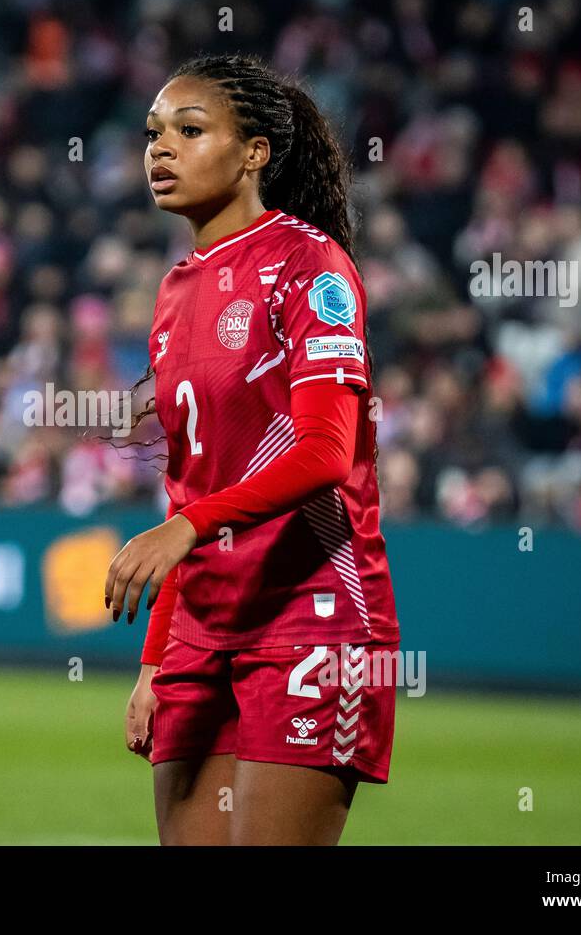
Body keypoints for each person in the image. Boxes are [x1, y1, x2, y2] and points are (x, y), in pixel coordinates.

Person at [103, 53, 401, 845]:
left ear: (256, 152)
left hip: (312, 614)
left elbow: (324, 454)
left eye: (190, 130)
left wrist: (190, 529)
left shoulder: (310, 266)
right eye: (153, 133)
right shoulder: (176, 290)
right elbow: (187, 487)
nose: (160, 149)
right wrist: (153, 662)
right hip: (202, 626)